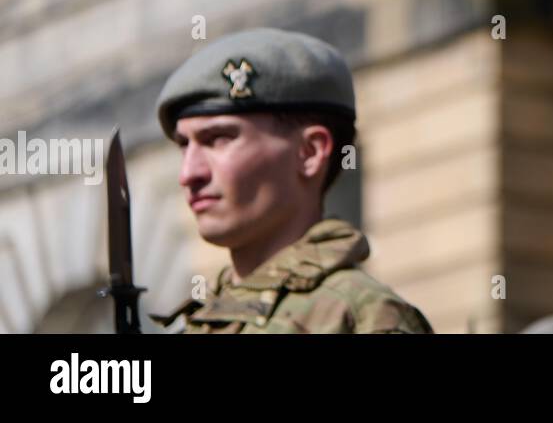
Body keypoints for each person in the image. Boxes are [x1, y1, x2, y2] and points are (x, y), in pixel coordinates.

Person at [149, 27, 433, 333]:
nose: (188, 174)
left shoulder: (362, 318)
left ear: (309, 152)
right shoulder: (202, 321)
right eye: (184, 145)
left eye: (219, 139)